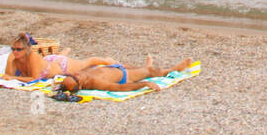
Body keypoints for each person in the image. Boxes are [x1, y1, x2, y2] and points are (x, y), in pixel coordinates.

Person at [2, 34, 116, 81]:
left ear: (27, 49)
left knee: (87, 63)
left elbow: (34, 79)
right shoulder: (14, 57)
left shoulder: (33, 57)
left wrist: (14, 78)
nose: (15, 52)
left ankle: (107, 60)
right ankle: (64, 52)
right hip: (49, 62)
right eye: (13, 49)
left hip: (62, 66)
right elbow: (7, 75)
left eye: (18, 49)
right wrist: (10, 60)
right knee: (55, 59)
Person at [58, 55, 195, 93]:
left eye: (73, 75)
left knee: (135, 67)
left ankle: (147, 65)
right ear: (80, 86)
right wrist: (144, 84)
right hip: (125, 76)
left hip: (116, 68)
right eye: (76, 78)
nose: (77, 75)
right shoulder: (94, 83)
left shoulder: (79, 75)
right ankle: (174, 69)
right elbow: (118, 88)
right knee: (149, 72)